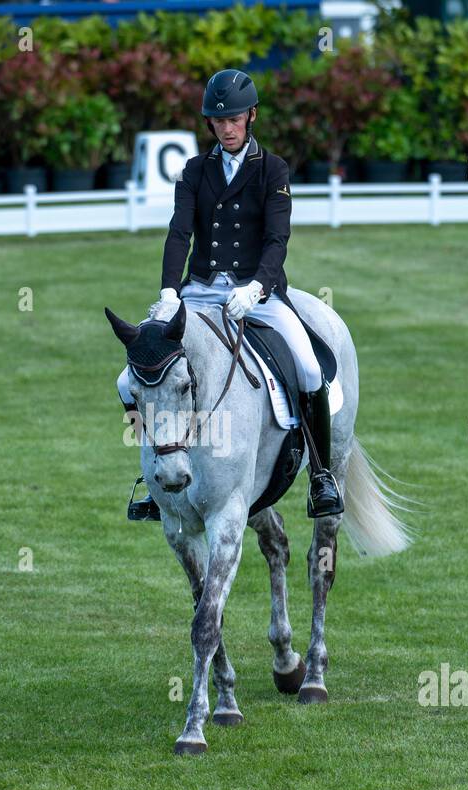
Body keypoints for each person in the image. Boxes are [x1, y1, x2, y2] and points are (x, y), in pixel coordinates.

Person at [118, 68, 343, 521]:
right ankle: (156, 479)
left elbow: (277, 241)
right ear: (210, 125)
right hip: (199, 293)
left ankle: (321, 476)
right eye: (218, 121)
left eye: (235, 119)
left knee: (307, 366)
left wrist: (256, 287)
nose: (227, 128)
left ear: (251, 116)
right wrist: (168, 291)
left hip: (258, 292)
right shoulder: (195, 171)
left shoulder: (273, 170)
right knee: (128, 380)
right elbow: (179, 233)